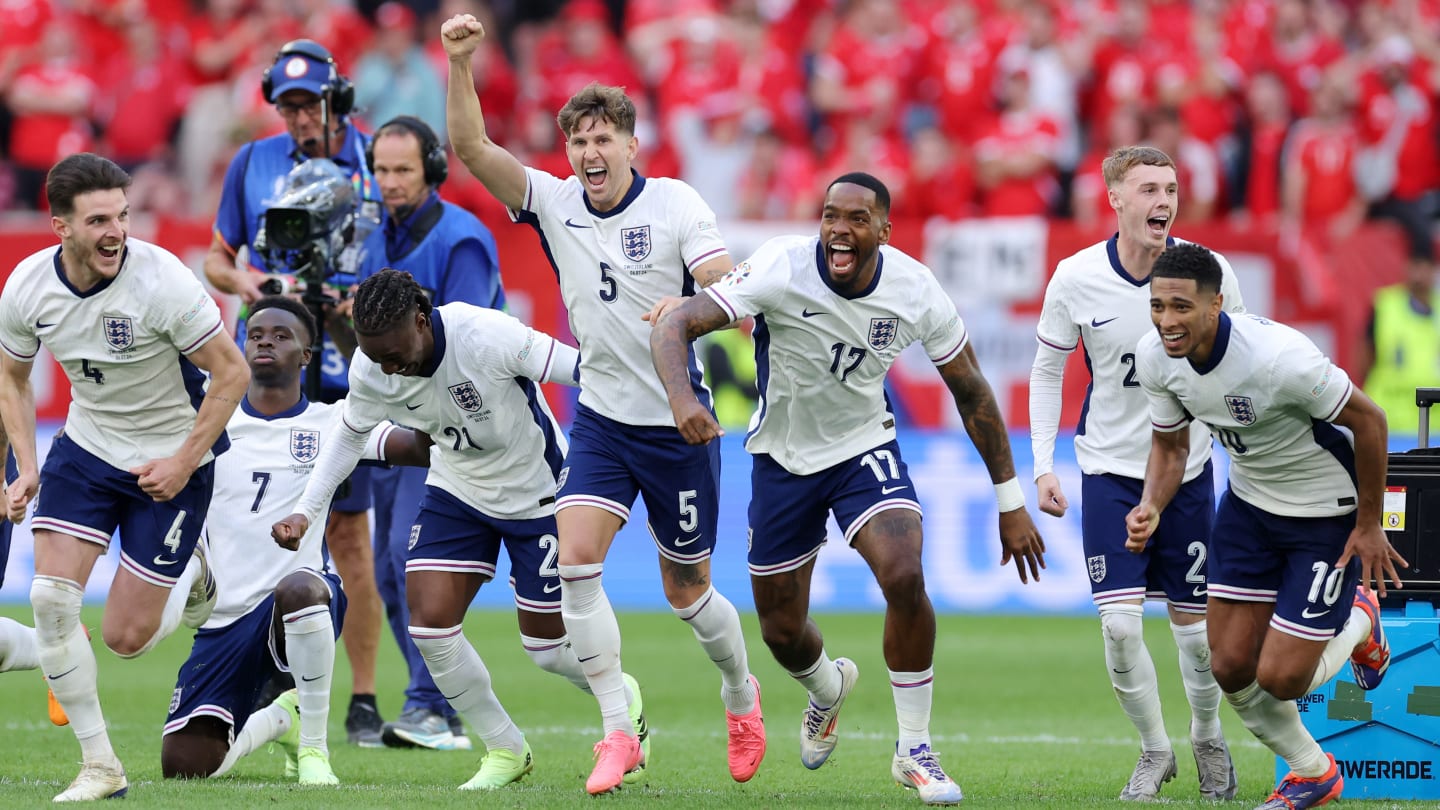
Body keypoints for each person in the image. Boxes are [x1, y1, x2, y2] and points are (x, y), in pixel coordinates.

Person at [443, 13, 765, 795]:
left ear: (631, 146)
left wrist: (692, 307)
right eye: (578, 142)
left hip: (678, 425)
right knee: (577, 564)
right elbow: (472, 148)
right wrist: (461, 63)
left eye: (603, 139)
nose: (590, 153)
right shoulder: (555, 203)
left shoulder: (676, 204)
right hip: (600, 421)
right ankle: (619, 731)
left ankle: (741, 694)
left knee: (689, 594)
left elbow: (726, 280)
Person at [650, 173, 1048, 806]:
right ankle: (827, 689)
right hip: (782, 459)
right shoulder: (781, 266)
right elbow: (674, 326)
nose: (839, 230)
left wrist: (1010, 500)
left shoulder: (915, 289)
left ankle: (914, 749)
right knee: (782, 632)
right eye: (830, 215)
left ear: (883, 231)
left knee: (904, 574)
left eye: (857, 219)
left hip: (864, 447)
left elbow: (971, 389)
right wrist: (682, 401)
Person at [273, 269, 646, 791]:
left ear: (422, 321)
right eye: (376, 358)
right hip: (457, 488)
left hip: (536, 493)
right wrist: (305, 511)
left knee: (546, 650)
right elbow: (350, 435)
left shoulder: (487, 335)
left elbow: (583, 370)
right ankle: (505, 748)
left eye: (394, 354)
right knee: (429, 627)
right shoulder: (372, 365)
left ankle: (619, 695)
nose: (388, 368)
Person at [0, 153, 250, 801]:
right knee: (51, 601)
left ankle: (195, 573)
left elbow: (232, 372)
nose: (116, 233)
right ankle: (101, 766)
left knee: (125, 638)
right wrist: (27, 465)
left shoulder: (161, 280)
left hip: (170, 458)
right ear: (61, 227)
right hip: (87, 448)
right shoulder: (28, 286)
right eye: (98, 221)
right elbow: (12, 378)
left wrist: (183, 461)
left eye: (122, 216)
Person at [1128, 242, 1405, 810]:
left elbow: (1371, 422)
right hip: (1249, 509)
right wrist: (1152, 504)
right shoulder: (1155, 357)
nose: (1166, 321)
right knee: (1229, 666)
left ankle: (1361, 619)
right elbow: (1171, 447)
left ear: (1216, 305)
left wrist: (1369, 523)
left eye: (1181, 307)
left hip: (1324, 514)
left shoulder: (1279, 359)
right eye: (1157, 306)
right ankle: (1313, 773)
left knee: (1282, 678)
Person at [1028, 146, 1242, 802]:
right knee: (1120, 628)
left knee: (1197, 636)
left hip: (1190, 471)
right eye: (1149, 188)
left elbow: (1243, 362)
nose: (1164, 201)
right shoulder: (1076, 277)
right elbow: (1048, 370)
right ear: (1115, 198)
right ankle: (1154, 750)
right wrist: (1042, 465)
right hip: (1110, 472)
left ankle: (1208, 736)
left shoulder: (1207, 271)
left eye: (1170, 189)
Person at [158, 296, 432, 786]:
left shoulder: (335, 422)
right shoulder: (208, 424)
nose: (265, 341)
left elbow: (416, 446)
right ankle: (282, 721)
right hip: (223, 621)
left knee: (301, 587)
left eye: (281, 335)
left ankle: (314, 750)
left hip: (300, 603)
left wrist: (429, 398)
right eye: (256, 334)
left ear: (307, 355)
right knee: (184, 766)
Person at [201, 38, 388, 746]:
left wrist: (356, 303)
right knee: (258, 526)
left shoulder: (372, 162)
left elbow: (392, 264)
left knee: (349, 536)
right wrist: (250, 284)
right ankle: (264, 683)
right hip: (271, 363)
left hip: (343, 361)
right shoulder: (252, 161)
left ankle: (362, 696)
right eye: (288, 106)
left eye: (310, 105)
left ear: (336, 101)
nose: (300, 118)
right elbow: (219, 259)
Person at [354, 114, 507, 749]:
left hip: (449, 424)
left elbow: (464, 333)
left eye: (403, 170)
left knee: (404, 558)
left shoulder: (461, 238)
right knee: (387, 572)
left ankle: (431, 706)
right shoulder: (370, 241)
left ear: (434, 171)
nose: (389, 181)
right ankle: (437, 705)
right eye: (381, 170)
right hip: (396, 422)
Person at [1356, 254, 1438, 436]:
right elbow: (1365, 356)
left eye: (1426, 267)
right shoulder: (1386, 305)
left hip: (1435, 427)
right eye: (1416, 266)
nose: (1420, 275)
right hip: (1390, 423)